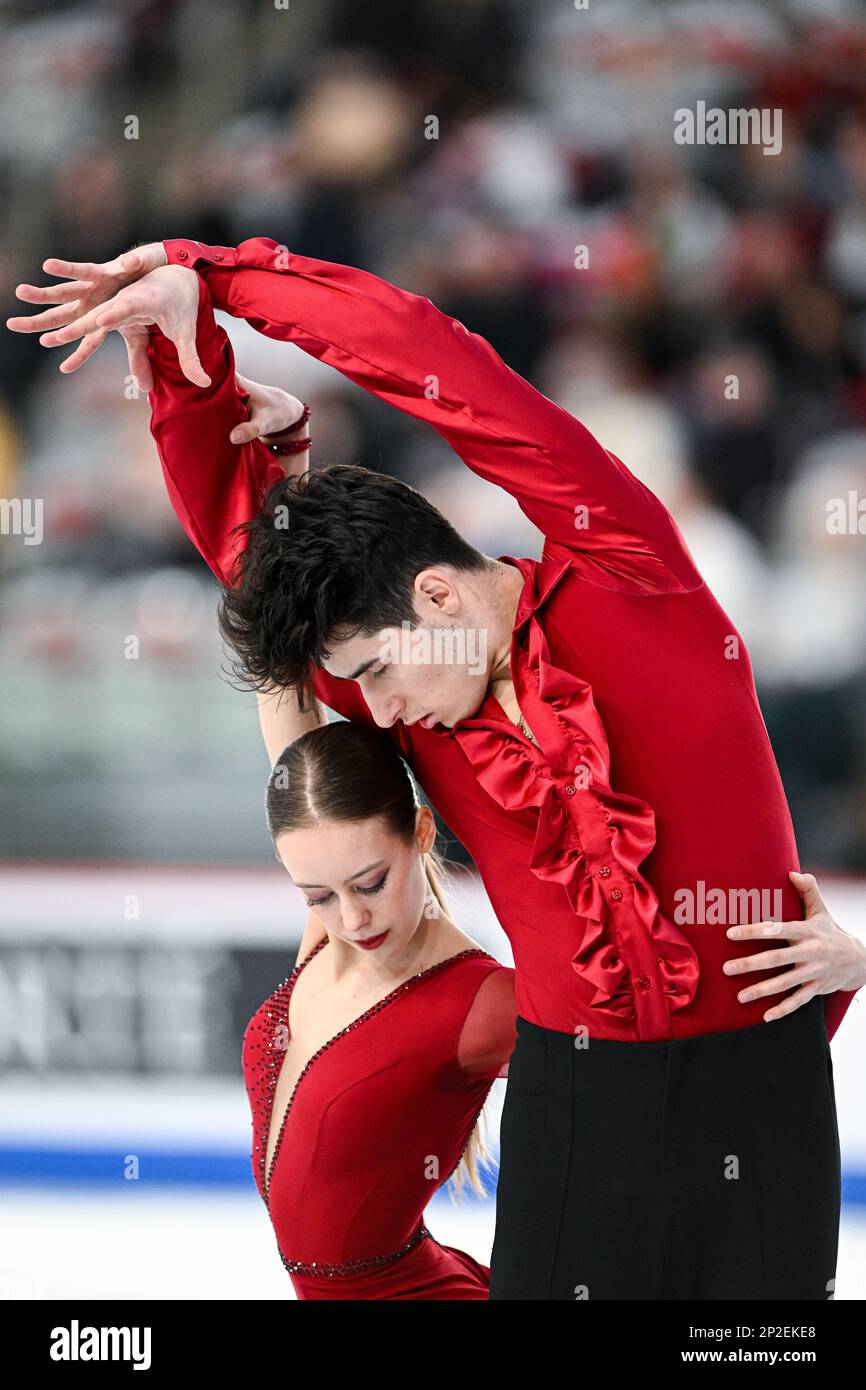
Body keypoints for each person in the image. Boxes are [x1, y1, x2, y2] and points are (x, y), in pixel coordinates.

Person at [9, 244, 866, 1299]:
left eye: (374, 669)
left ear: (441, 598)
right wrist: (192, 368)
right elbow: (253, 565)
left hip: (759, 1094)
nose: (380, 707)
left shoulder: (629, 570)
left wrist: (222, 276)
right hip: (573, 1108)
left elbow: (440, 366)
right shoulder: (414, 696)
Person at [245, 717, 516, 1300]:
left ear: (421, 831)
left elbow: (649, 1036)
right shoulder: (331, 940)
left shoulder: (483, 1002)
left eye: (370, 884)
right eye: (316, 896)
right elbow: (299, 760)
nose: (351, 920)